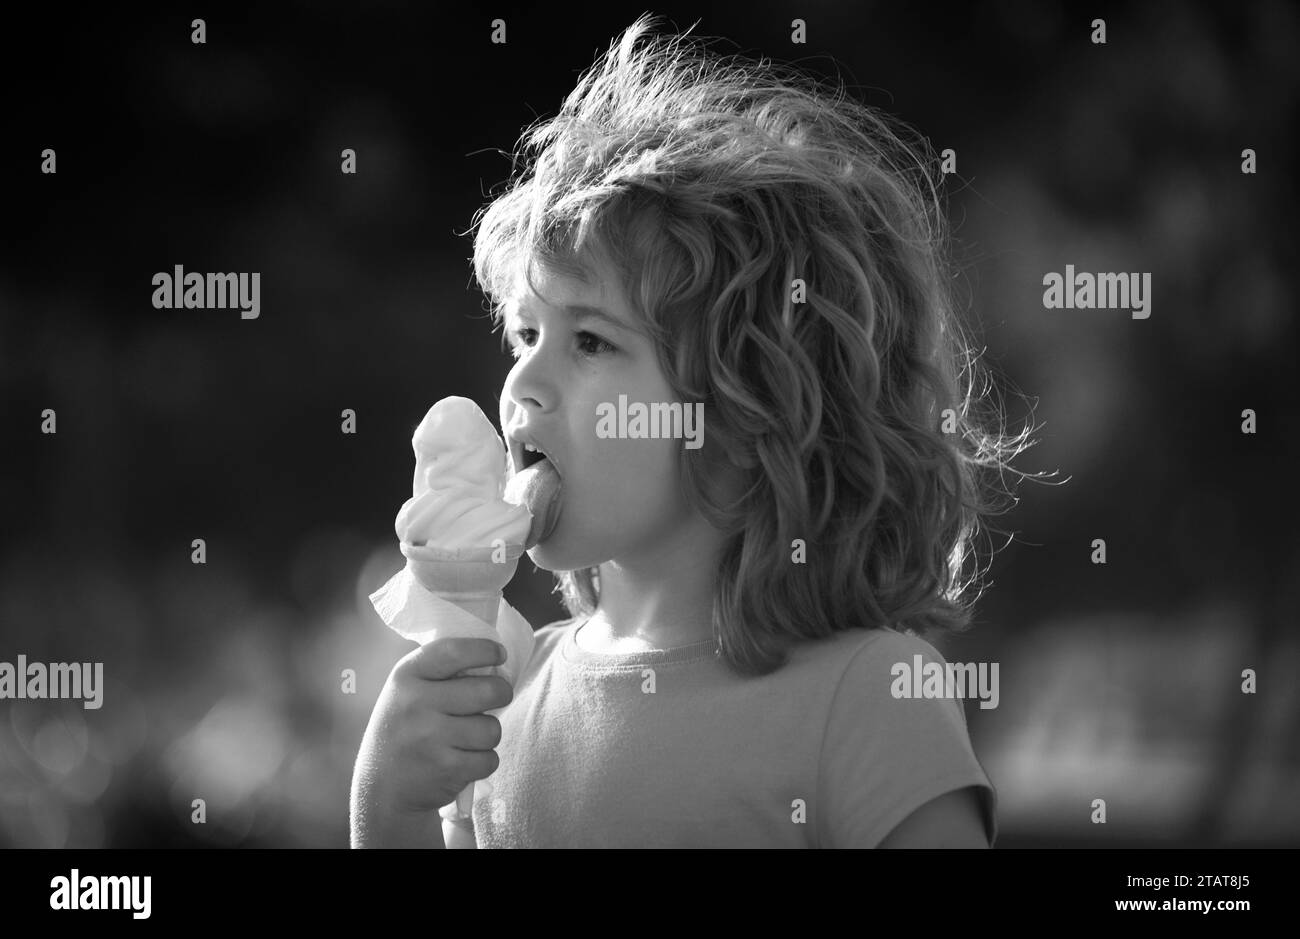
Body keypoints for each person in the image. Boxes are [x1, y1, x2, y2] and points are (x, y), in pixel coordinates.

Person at [352, 13, 1035, 848]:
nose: (523, 382)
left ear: (749, 408)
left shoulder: (868, 693)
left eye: (591, 341)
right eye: (526, 333)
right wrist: (388, 807)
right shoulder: (504, 700)